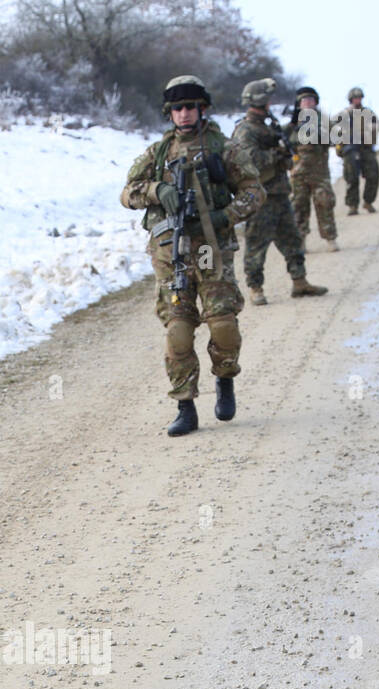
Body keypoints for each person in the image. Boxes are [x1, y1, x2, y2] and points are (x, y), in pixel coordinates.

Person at [120, 74, 266, 435]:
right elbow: (127, 193)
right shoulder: (156, 153)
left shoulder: (224, 148)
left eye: (190, 107)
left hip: (209, 250)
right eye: (177, 108)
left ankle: (225, 379)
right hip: (172, 253)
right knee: (179, 331)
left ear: (203, 109)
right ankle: (185, 405)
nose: (184, 114)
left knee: (223, 324)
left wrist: (224, 215)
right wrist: (158, 190)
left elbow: (253, 191)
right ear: (170, 113)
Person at [227, 77, 328, 307]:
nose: (271, 103)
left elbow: (281, 142)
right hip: (260, 197)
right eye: (268, 99)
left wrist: (290, 131)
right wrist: (278, 154)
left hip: (280, 193)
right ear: (260, 100)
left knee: (292, 239)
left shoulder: (266, 125)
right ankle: (255, 288)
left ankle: (300, 281)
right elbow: (249, 160)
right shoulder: (246, 129)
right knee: (256, 245)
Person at [284, 85, 339, 251]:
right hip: (298, 172)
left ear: (316, 102)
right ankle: (300, 240)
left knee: (325, 203)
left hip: (319, 171)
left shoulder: (323, 120)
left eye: (310, 100)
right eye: (303, 100)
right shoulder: (293, 122)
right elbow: (282, 140)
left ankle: (330, 238)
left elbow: (336, 138)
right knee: (298, 206)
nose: (307, 103)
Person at [335, 88, 379, 215]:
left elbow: (378, 125)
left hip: (366, 148)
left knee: (373, 174)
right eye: (355, 98)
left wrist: (369, 130)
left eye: (360, 98)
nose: (358, 100)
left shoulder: (367, 112)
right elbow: (334, 130)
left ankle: (368, 201)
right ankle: (352, 205)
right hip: (350, 149)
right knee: (351, 177)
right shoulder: (344, 114)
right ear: (351, 99)